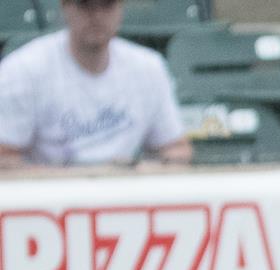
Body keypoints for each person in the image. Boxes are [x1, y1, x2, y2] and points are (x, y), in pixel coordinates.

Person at [0, 0, 189, 168]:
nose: (97, 15)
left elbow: (176, 149)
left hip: (127, 196)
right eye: (85, 5)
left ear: (120, 8)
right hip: (52, 199)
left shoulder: (149, 67)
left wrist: (140, 170)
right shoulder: (22, 69)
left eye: (106, 4)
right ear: (65, 7)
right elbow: (4, 158)